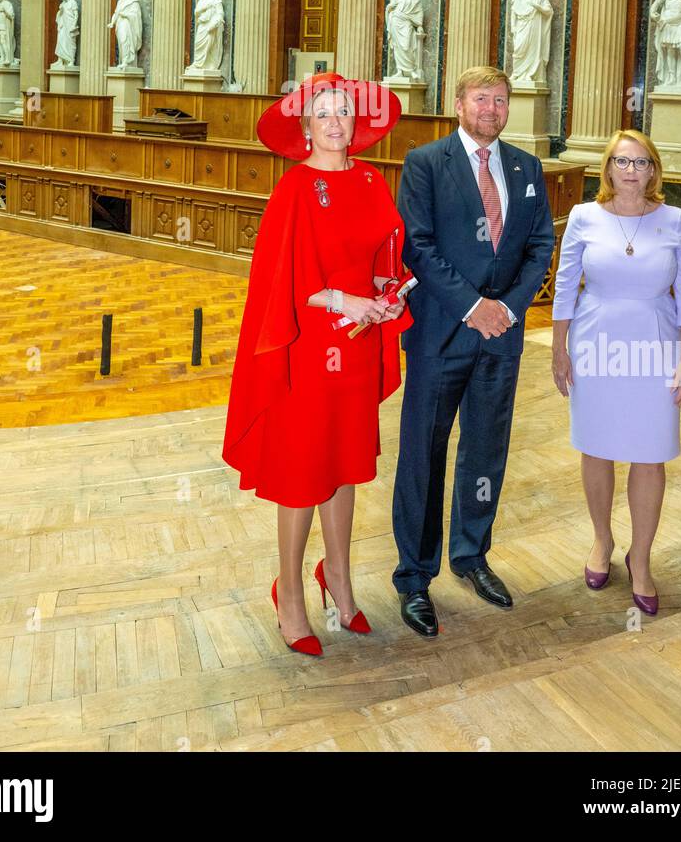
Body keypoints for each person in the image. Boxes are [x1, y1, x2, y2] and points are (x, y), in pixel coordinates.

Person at [222, 74, 412, 656]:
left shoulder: (371, 180)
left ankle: (341, 582)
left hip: (354, 348)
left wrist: (388, 291)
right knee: (303, 472)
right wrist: (343, 299)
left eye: (345, 112)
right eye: (324, 113)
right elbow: (281, 283)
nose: (336, 122)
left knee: (345, 465)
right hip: (305, 345)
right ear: (305, 127)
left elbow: (383, 253)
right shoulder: (294, 190)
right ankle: (291, 594)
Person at [392, 66, 554, 636]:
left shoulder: (526, 167)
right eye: (481, 98)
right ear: (457, 103)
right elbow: (417, 244)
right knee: (423, 454)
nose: (492, 108)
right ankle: (414, 576)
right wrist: (472, 306)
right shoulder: (425, 164)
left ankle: (471, 555)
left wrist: (507, 308)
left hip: (501, 336)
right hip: (442, 333)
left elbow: (540, 246)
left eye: (501, 99)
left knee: (486, 451)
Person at [551, 130, 681, 616]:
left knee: (649, 451)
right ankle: (601, 540)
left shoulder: (674, 219)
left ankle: (642, 556)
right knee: (596, 447)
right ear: (608, 167)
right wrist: (559, 349)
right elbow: (566, 284)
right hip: (596, 343)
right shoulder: (583, 216)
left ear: (654, 170)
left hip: (655, 343)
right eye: (622, 161)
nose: (631, 171)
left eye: (641, 162)